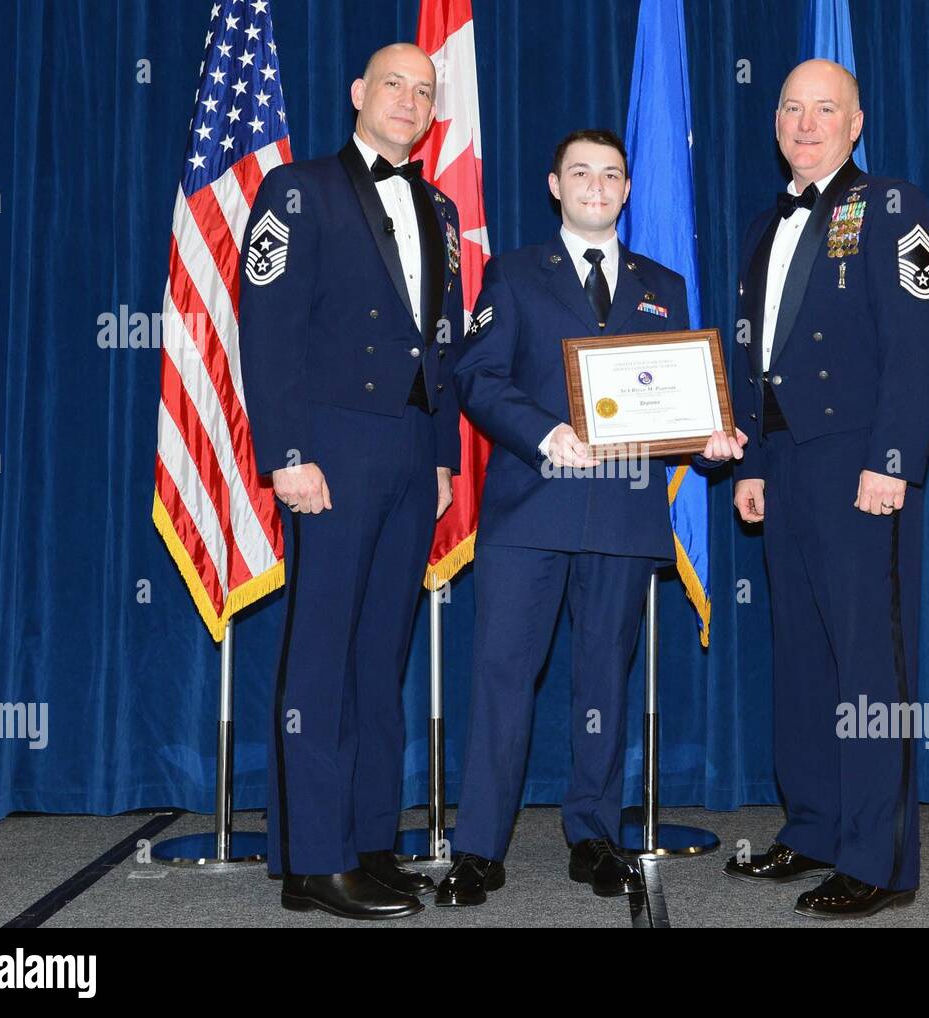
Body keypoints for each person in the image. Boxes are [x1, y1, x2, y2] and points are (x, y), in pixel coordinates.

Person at [437, 129, 746, 907]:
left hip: (622, 516)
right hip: (529, 512)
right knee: (503, 678)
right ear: (555, 184)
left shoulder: (663, 285)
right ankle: (478, 849)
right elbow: (476, 378)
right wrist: (545, 432)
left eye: (611, 174)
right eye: (581, 172)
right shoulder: (510, 274)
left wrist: (712, 443)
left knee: (603, 679)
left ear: (628, 189)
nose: (596, 185)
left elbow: (680, 404)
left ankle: (594, 835)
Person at [239, 43, 463, 920]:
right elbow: (269, 328)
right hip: (329, 452)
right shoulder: (295, 191)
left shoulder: (440, 207)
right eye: (394, 85)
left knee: (382, 659)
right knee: (322, 655)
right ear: (358, 92)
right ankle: (314, 859)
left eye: (424, 90)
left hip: (411, 456)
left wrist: (442, 455)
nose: (409, 99)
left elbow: (440, 342)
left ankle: (371, 841)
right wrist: (287, 454)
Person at [725, 59, 929, 918]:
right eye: (791, 107)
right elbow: (755, 362)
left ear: (856, 125)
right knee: (803, 656)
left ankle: (879, 861)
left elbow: (919, 347)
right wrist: (751, 464)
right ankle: (814, 827)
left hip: (861, 464)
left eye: (826, 109)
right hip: (785, 466)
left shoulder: (893, 207)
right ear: (775, 120)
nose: (806, 122)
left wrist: (892, 461)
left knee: (868, 667)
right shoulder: (761, 225)